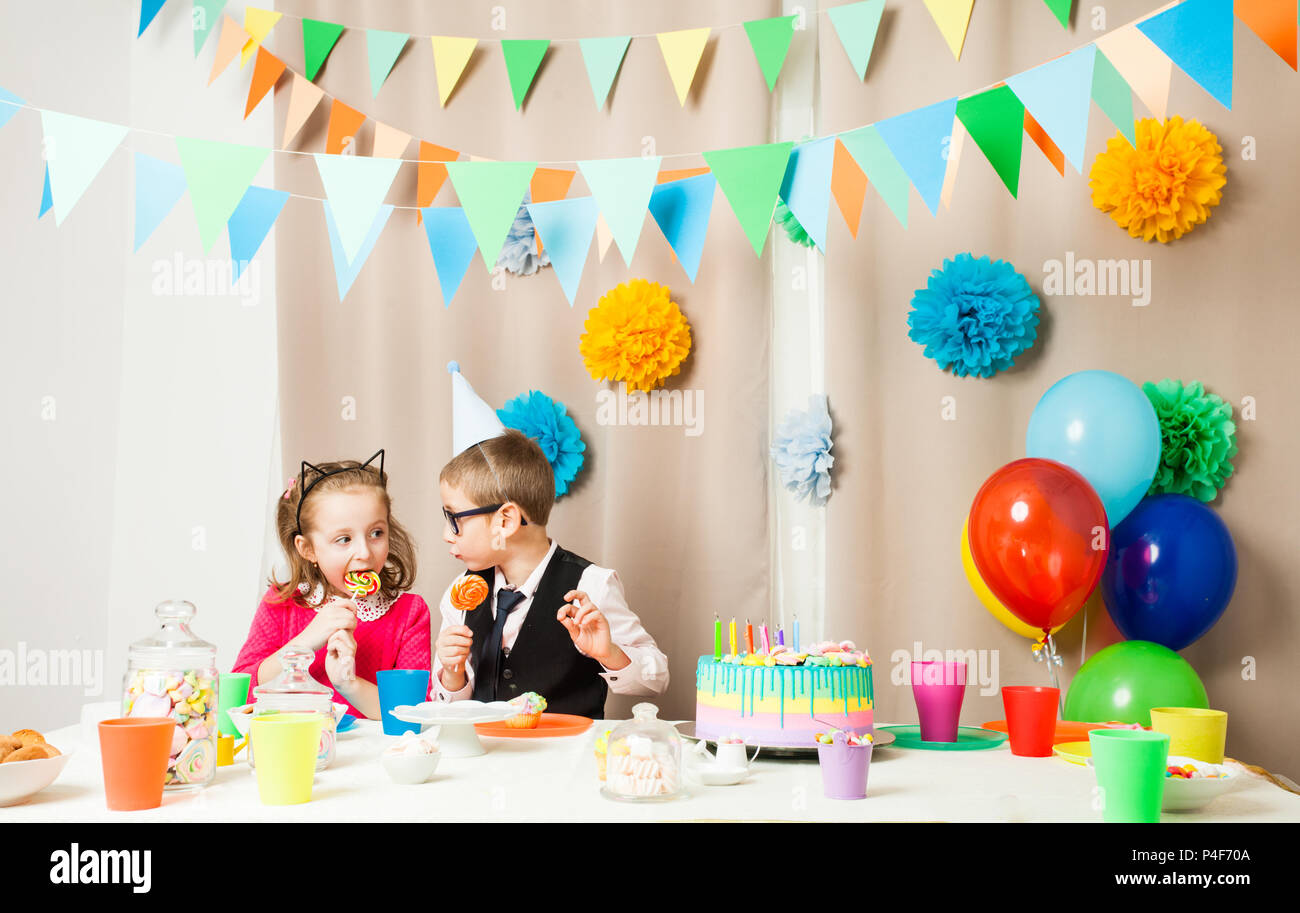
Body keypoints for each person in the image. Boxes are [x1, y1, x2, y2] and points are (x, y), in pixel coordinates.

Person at [433, 365, 668, 717]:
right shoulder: (461, 596)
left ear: (506, 520)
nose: (446, 534)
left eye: (454, 520)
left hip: (569, 764)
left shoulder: (592, 586)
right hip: (487, 763)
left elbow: (657, 677)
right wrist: (452, 675)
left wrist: (608, 652)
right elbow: (452, 707)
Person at [233, 450, 431, 719]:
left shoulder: (409, 613)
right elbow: (240, 692)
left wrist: (349, 684)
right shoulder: (283, 603)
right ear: (308, 549)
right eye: (344, 539)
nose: (364, 552)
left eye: (376, 533)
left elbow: (414, 713)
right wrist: (305, 642)